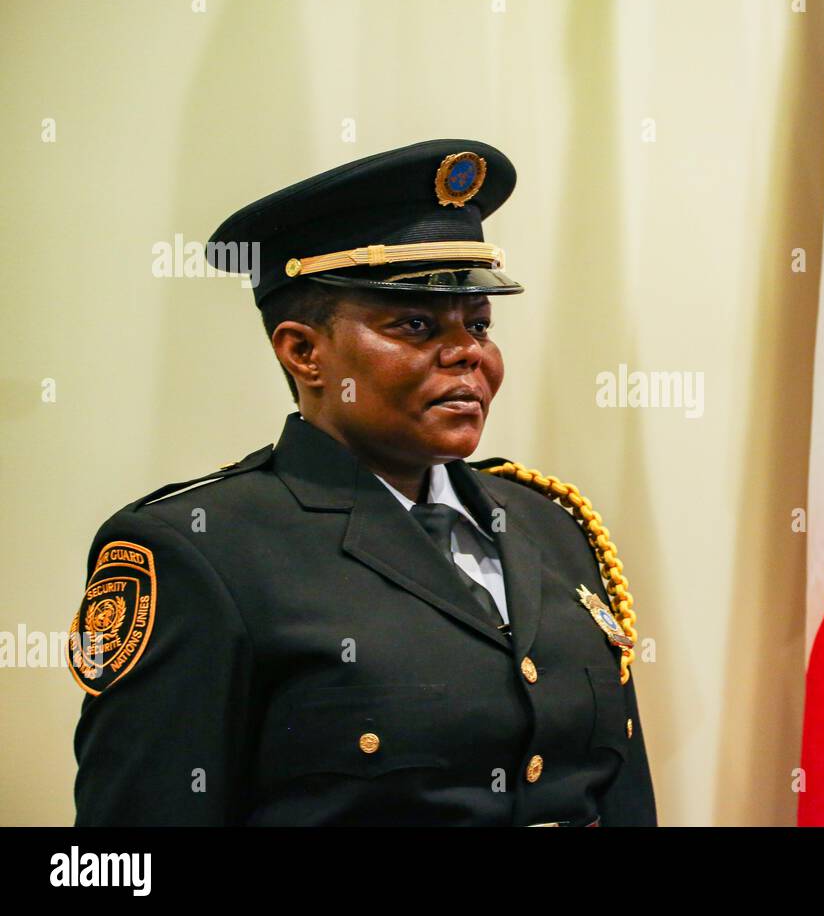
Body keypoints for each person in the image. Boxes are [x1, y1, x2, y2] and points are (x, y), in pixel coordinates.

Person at [64, 139, 656, 826]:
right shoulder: (203, 552)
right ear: (304, 352)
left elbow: (620, 789)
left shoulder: (548, 526)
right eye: (414, 324)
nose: (467, 353)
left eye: (480, 324)